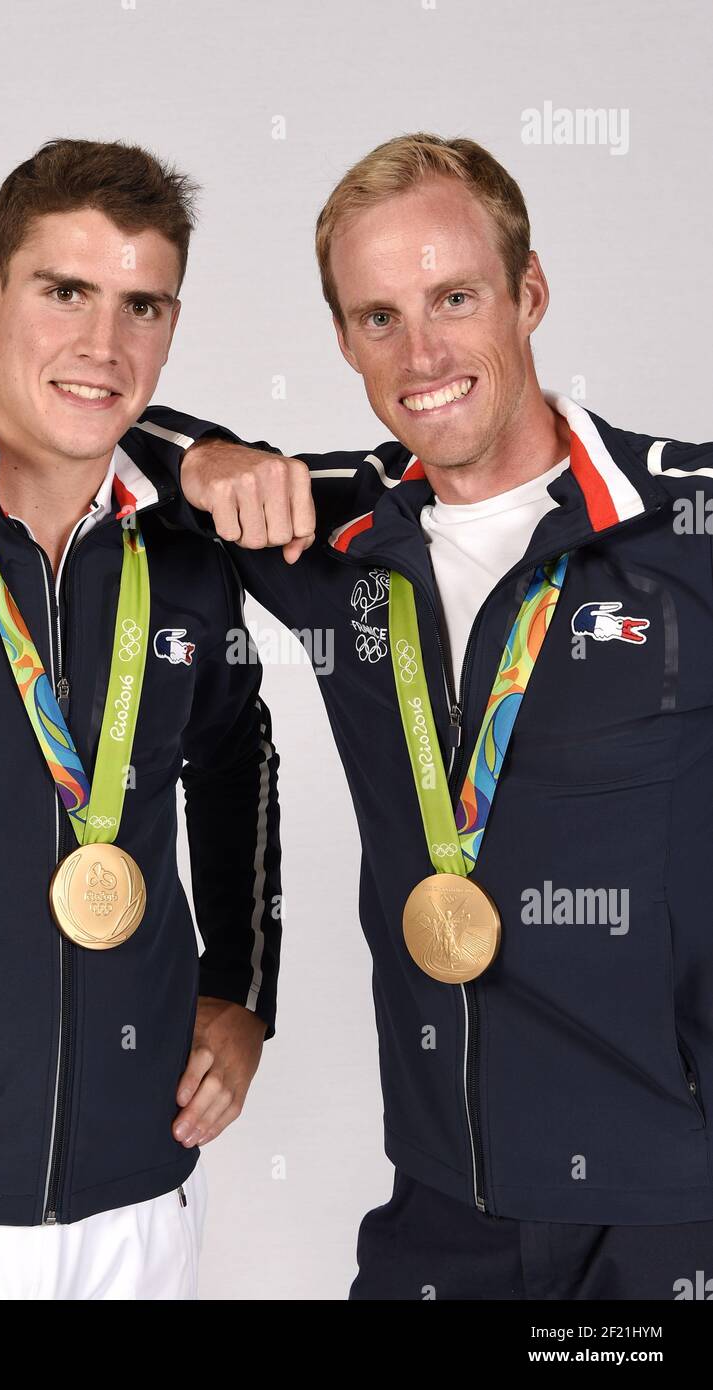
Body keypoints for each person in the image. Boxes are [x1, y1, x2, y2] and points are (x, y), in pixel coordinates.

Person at [134, 133, 713, 1299]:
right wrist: (208, 460)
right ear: (345, 339)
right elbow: (103, 440)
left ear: (528, 293)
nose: (424, 351)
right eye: (380, 315)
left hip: (672, 1216)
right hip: (445, 1212)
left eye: (454, 297)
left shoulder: (688, 520)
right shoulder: (329, 530)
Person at [0, 138, 280, 1300]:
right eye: (64, 292)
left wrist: (243, 994)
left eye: (143, 305)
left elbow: (238, 762)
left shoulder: (186, 558)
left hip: (137, 1201)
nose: (103, 346)